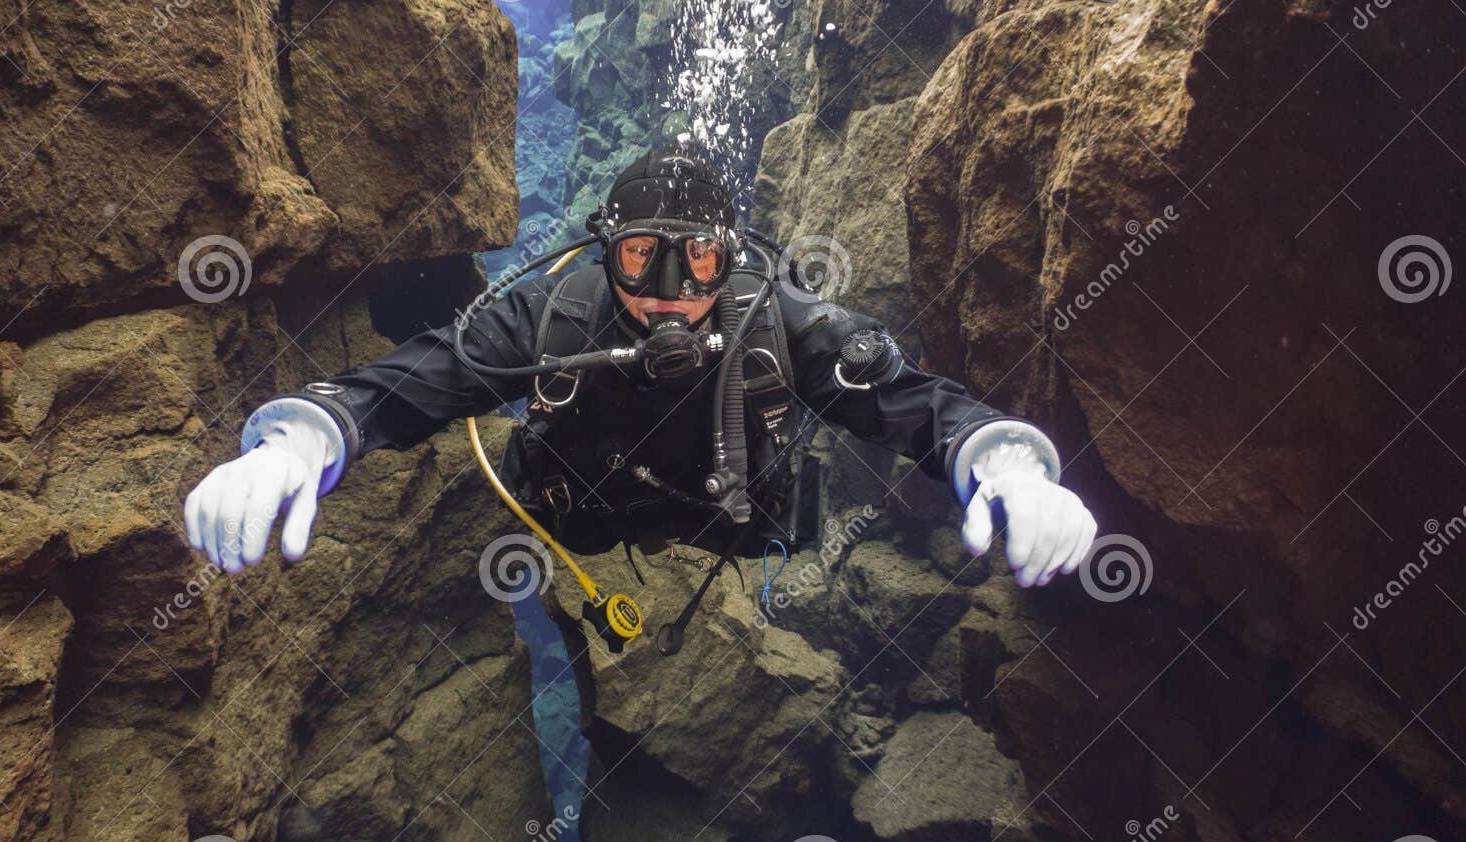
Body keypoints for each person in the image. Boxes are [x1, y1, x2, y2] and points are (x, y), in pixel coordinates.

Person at [184, 147, 1097, 614]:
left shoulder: (784, 324)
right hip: (581, 525)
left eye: (698, 262)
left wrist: (1007, 458)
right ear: (601, 252)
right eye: (639, 257)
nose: (671, 295)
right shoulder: (550, 317)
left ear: (732, 262)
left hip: (736, 529)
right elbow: (415, 380)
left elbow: (912, 401)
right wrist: (304, 434)